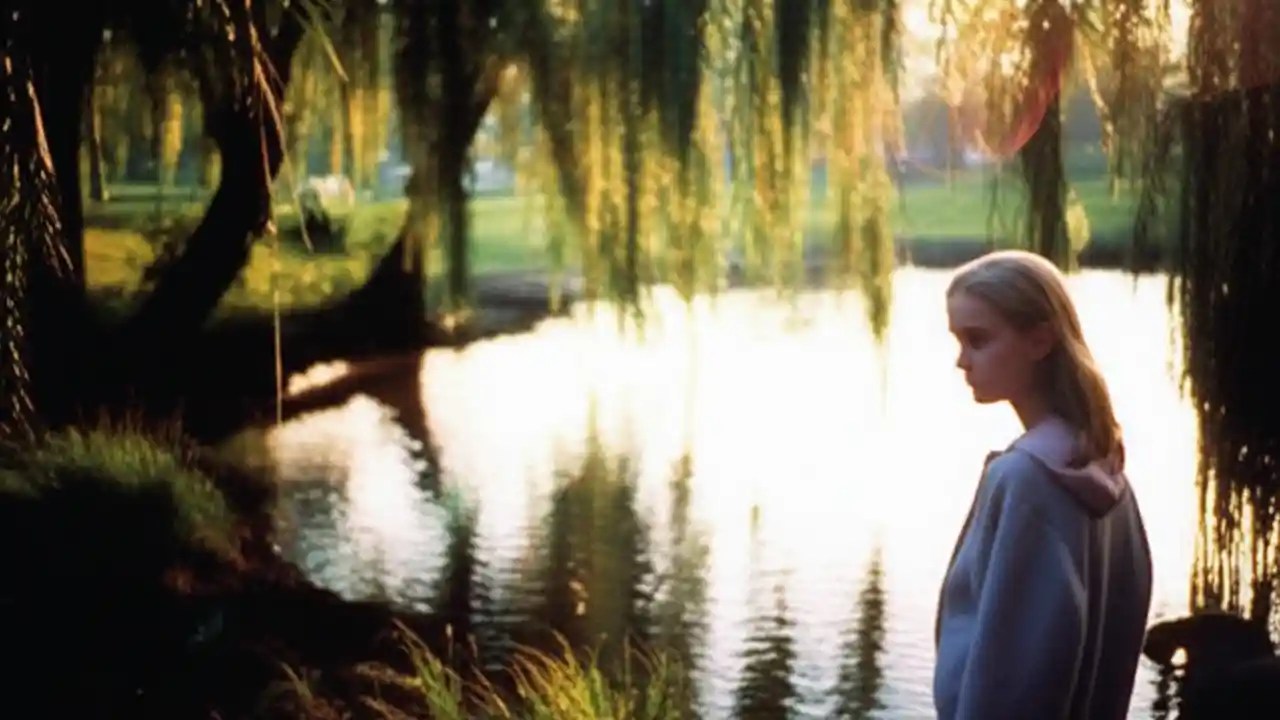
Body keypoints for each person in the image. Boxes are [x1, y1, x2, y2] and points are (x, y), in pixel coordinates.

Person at [933, 250, 1154, 719]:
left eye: (978, 339)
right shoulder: (1106, 470)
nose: (961, 361)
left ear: (1040, 339)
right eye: (958, 340)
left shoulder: (1024, 480)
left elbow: (1009, 669)